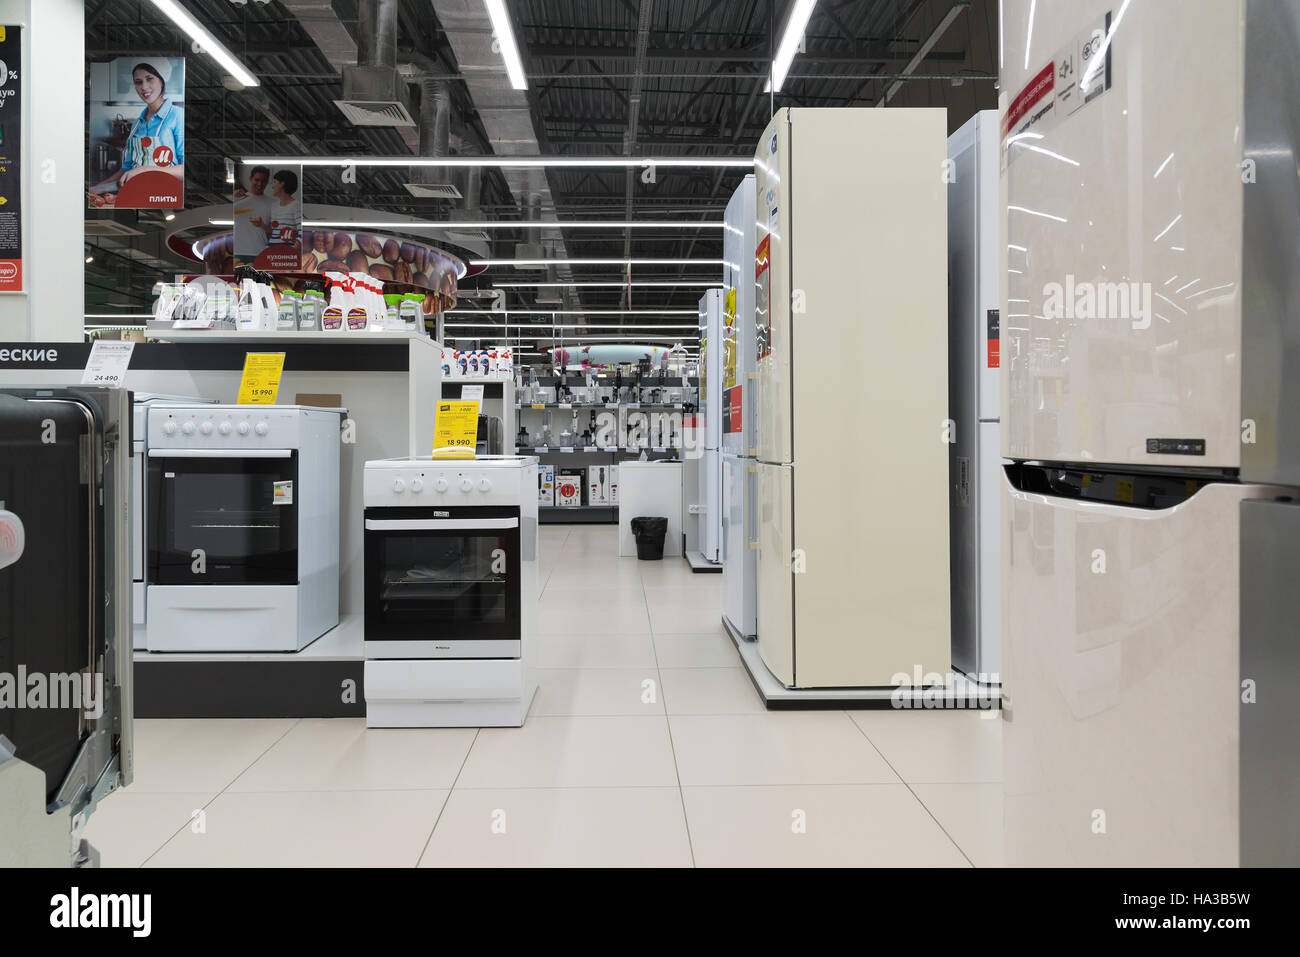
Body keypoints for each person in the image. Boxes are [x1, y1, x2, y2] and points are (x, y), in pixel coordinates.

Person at [88, 62, 184, 204]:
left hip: (164, 197)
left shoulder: (177, 116)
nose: (144, 87)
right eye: (138, 82)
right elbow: (127, 169)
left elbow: (183, 170)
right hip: (136, 196)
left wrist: (145, 170)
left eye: (149, 78)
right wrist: (98, 188)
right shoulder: (137, 124)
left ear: (162, 81)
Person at [232, 166, 272, 260]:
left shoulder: (272, 203)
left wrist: (262, 225)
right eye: (257, 180)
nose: (260, 184)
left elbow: (276, 232)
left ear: (267, 182)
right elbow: (222, 215)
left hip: (259, 253)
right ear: (250, 179)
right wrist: (233, 198)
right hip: (237, 252)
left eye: (264, 181)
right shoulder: (238, 199)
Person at [265, 169, 301, 249]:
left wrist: (292, 252)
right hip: (271, 252)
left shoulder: (296, 205)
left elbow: (301, 232)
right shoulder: (273, 206)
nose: (272, 186)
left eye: (275, 182)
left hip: (287, 254)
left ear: (282, 184)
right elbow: (274, 232)